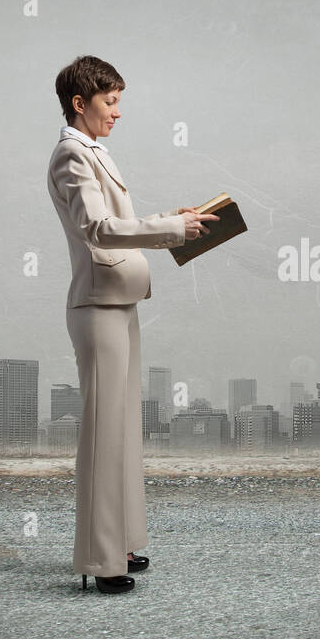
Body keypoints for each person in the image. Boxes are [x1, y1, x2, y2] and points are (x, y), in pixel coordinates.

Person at [47, 55, 219, 595]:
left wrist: (179, 221)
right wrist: (172, 227)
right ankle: (100, 563)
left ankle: (119, 545)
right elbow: (98, 228)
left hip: (119, 301)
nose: (118, 112)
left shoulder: (93, 151)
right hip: (97, 306)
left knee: (121, 431)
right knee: (103, 435)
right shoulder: (71, 155)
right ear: (81, 103)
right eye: (110, 101)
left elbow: (116, 223)